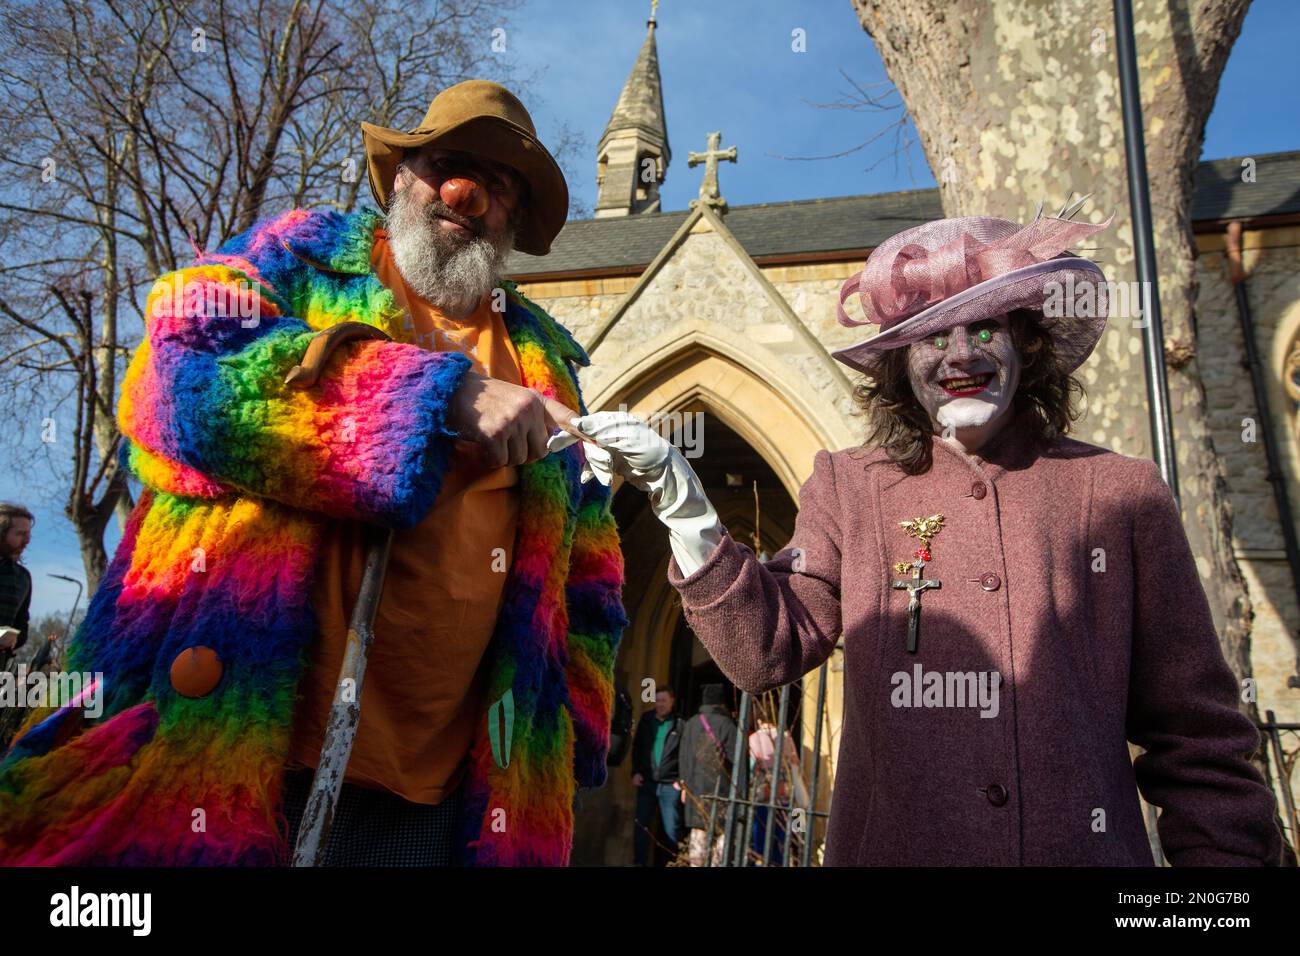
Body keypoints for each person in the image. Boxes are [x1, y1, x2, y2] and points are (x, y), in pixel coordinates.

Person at [0, 81, 628, 867]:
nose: (470, 196)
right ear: (401, 177)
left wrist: (573, 731)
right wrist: (432, 396)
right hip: (238, 748)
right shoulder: (293, 263)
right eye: (449, 166)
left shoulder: (553, 370)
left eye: (500, 187)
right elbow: (173, 382)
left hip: (456, 799)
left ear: (513, 220)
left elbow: (590, 583)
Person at [558, 212, 1284, 866]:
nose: (958, 354)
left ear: (1027, 342)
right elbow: (765, 648)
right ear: (903, 367)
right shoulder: (850, 485)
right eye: (932, 335)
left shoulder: (1122, 492)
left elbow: (1198, 740)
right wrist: (684, 504)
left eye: (984, 328)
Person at [678, 683, 742, 866]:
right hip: (720, 791)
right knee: (720, 838)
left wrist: (684, 785)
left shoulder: (690, 724)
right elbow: (737, 761)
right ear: (721, 703)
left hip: (695, 790)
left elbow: (683, 757)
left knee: (698, 837)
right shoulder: (727, 726)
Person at [630, 685, 684, 865]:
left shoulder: (679, 723)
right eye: (657, 700)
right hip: (647, 782)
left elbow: (685, 754)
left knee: (671, 830)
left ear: (672, 701)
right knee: (641, 827)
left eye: (663, 700)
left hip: (670, 785)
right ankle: (639, 863)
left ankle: (672, 863)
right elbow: (637, 747)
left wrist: (681, 780)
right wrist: (635, 772)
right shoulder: (646, 719)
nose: (660, 704)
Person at [0, 503, 33, 671]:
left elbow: (22, 626)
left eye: (28, 534)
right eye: (21, 534)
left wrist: (14, 639)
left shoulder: (23, 578)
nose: (27, 540)